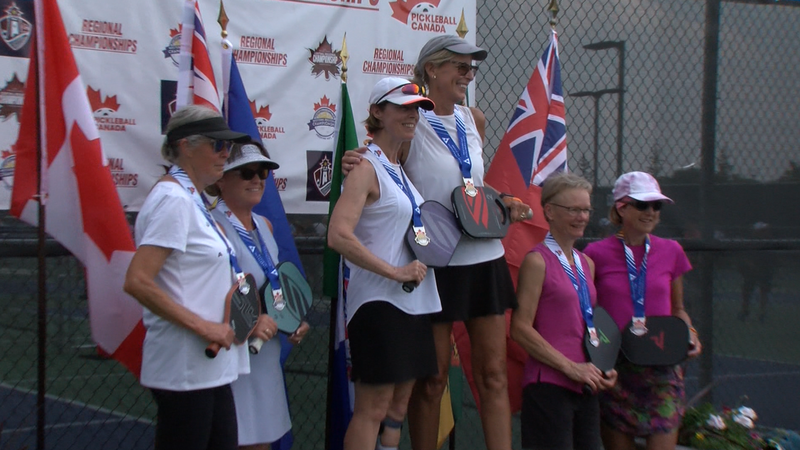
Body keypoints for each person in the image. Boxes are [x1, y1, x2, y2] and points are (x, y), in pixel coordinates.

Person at [340, 35, 530, 450]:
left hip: (485, 256)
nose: (468, 75)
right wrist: (352, 159)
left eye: (471, 68)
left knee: (493, 374)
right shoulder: (411, 121)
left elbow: (470, 183)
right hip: (435, 262)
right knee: (432, 379)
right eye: (460, 67)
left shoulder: (473, 119)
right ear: (432, 69)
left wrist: (505, 200)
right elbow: (380, 160)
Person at [123, 105, 251, 450]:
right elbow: (137, 280)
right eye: (216, 145)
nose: (225, 154)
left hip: (208, 365)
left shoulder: (190, 199)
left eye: (228, 147)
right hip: (185, 366)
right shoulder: (173, 201)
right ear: (184, 146)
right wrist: (205, 327)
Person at [327, 77, 441, 450]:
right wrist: (394, 272)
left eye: (417, 109)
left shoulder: (398, 169)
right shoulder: (364, 167)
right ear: (377, 111)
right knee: (372, 409)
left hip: (414, 300)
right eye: (403, 108)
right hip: (379, 302)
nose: (412, 116)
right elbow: (338, 235)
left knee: (398, 406)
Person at [583, 171, 702, 450]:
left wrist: (691, 333)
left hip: (662, 369)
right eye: (642, 205)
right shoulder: (594, 254)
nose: (651, 212)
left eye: (656, 206)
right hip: (615, 370)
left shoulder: (672, 251)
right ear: (621, 208)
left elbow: (679, 309)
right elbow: (588, 311)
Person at [208, 140, 310, 450]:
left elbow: (272, 286)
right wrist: (250, 322)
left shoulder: (264, 225)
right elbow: (206, 295)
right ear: (221, 179)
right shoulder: (212, 226)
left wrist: (291, 319)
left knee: (262, 441)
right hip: (232, 354)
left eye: (263, 172)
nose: (257, 179)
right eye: (246, 172)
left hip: (264, 352)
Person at [510, 172, 617, 450]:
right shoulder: (537, 261)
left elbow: (585, 324)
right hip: (549, 387)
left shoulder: (586, 263)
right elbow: (520, 328)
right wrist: (570, 368)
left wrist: (603, 367)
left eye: (585, 210)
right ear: (549, 212)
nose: (581, 217)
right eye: (573, 210)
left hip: (586, 385)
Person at [737, 221, 773, 322]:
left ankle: (762, 313)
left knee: (764, 292)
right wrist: (750, 265)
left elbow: (771, 259)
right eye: (762, 231)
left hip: (764, 270)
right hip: (751, 271)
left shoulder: (768, 243)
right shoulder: (750, 243)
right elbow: (745, 257)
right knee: (747, 292)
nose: (765, 233)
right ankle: (745, 311)